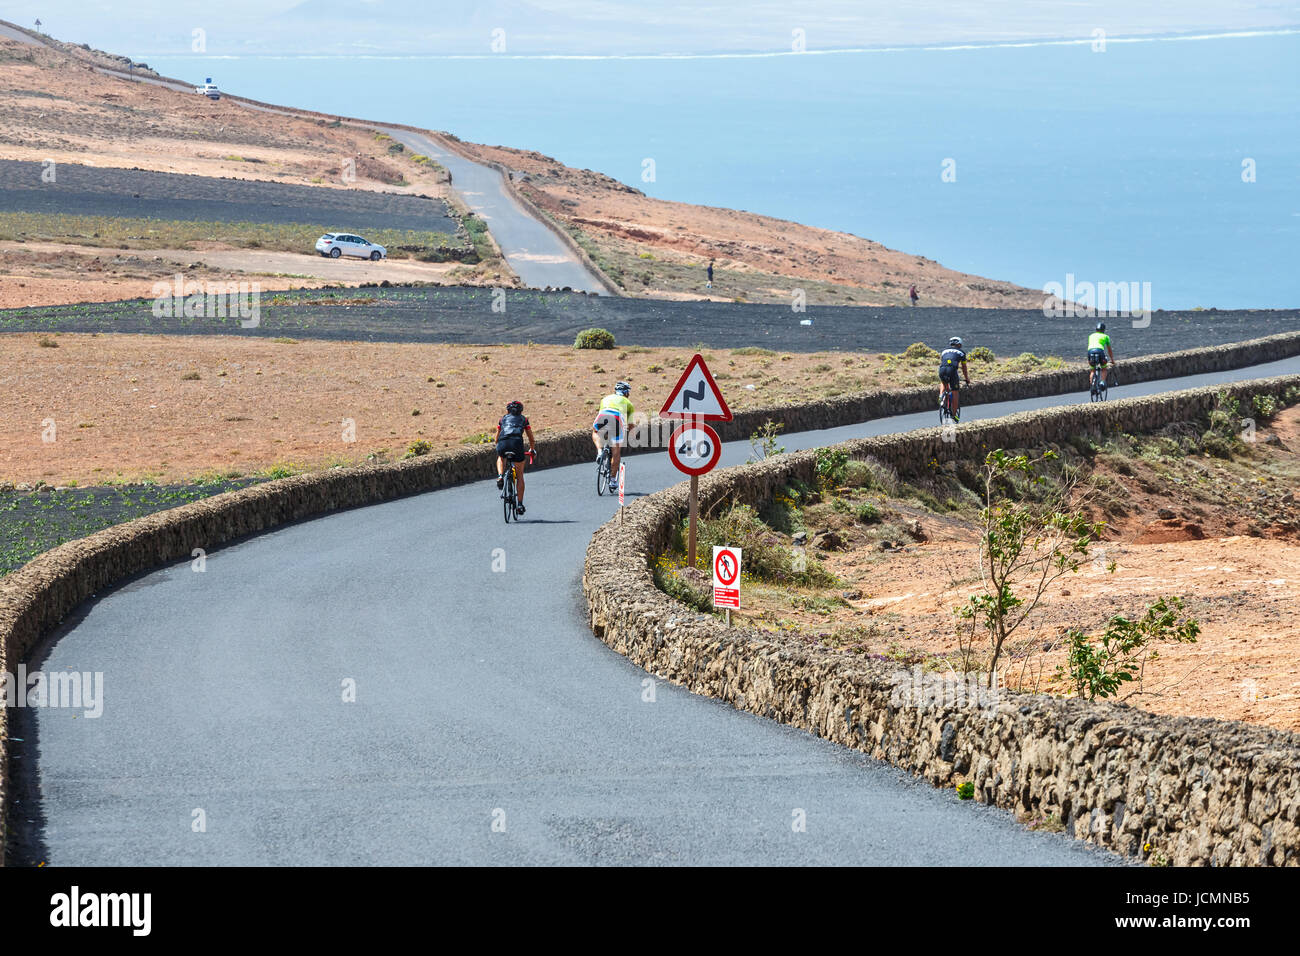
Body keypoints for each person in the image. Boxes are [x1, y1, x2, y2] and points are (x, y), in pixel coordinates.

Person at [495, 400, 536, 514]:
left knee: (500, 456)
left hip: (503, 443)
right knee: (520, 476)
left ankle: (500, 476)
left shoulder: (502, 419)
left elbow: (496, 439)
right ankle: (520, 504)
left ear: (507, 410)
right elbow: (531, 439)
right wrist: (531, 449)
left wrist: (499, 445)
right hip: (517, 444)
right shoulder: (524, 420)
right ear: (521, 411)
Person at [592, 381, 634, 494]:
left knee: (596, 432)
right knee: (616, 451)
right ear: (626, 393)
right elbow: (630, 425)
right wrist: (628, 432)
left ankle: (600, 451)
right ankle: (612, 480)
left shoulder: (605, 398)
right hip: (616, 418)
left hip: (603, 414)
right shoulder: (628, 403)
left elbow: (601, 411)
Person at [938, 336, 970, 421]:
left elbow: (944, 361)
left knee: (943, 381)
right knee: (955, 392)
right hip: (952, 370)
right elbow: (964, 368)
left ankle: (941, 396)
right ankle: (954, 415)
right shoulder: (962, 353)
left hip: (942, 369)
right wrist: (967, 378)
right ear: (959, 344)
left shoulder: (944, 351)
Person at [1087, 321, 1115, 389]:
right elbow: (1109, 350)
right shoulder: (1106, 337)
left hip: (1090, 351)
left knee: (1092, 370)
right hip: (1099, 351)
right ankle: (1102, 382)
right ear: (1103, 330)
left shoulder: (1090, 336)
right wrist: (1112, 360)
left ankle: (1092, 386)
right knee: (1104, 368)